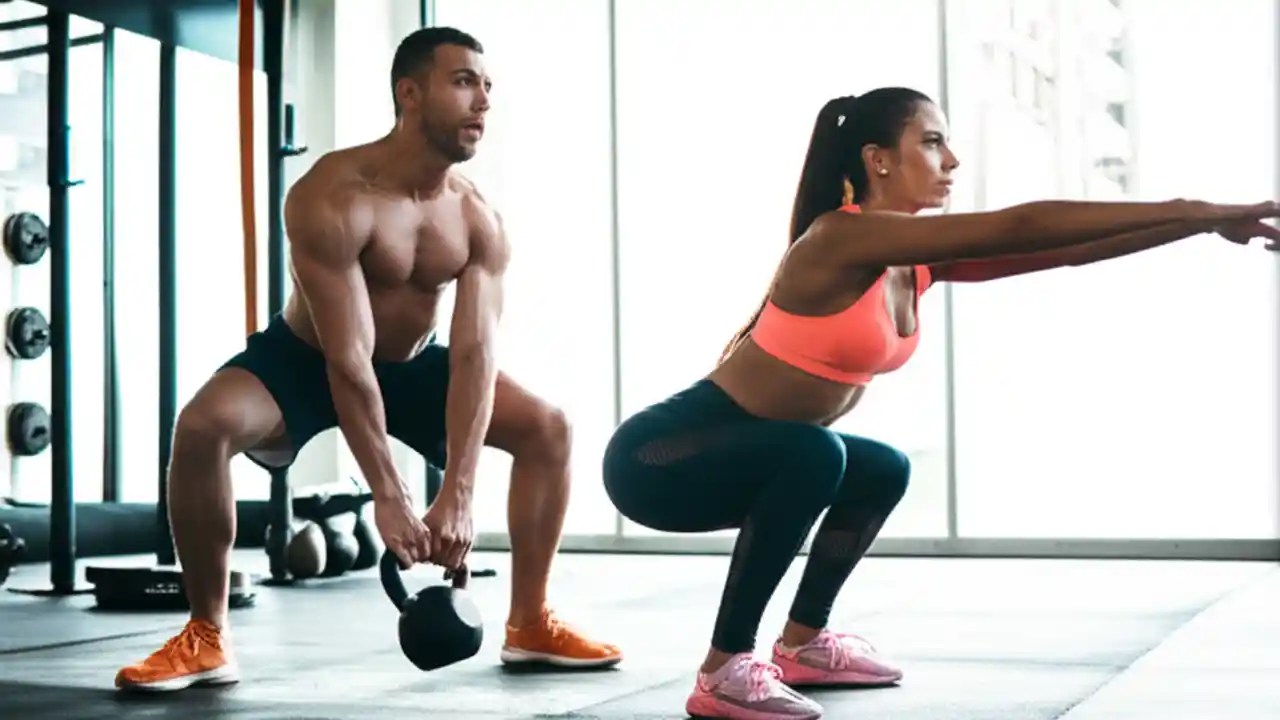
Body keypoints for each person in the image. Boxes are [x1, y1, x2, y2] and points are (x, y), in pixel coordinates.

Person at [602, 86, 1280, 720]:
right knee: (816, 451)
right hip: (659, 460)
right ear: (878, 160)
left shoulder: (912, 260)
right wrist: (1193, 206)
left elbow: (1065, 249)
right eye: (931, 142)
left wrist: (1198, 227)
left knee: (882, 468)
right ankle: (723, 670)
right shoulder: (840, 237)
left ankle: (803, 644)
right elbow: (1020, 223)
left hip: (756, 456)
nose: (951, 159)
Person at [114, 26, 622, 692]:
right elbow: (347, 359)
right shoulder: (333, 194)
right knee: (203, 426)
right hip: (304, 360)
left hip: (413, 365)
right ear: (409, 93)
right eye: (463, 82)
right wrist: (390, 495)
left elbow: (474, 355)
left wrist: (457, 495)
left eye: (487, 86)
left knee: (548, 427)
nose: (483, 101)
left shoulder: (476, 217)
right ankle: (206, 635)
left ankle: (530, 622)